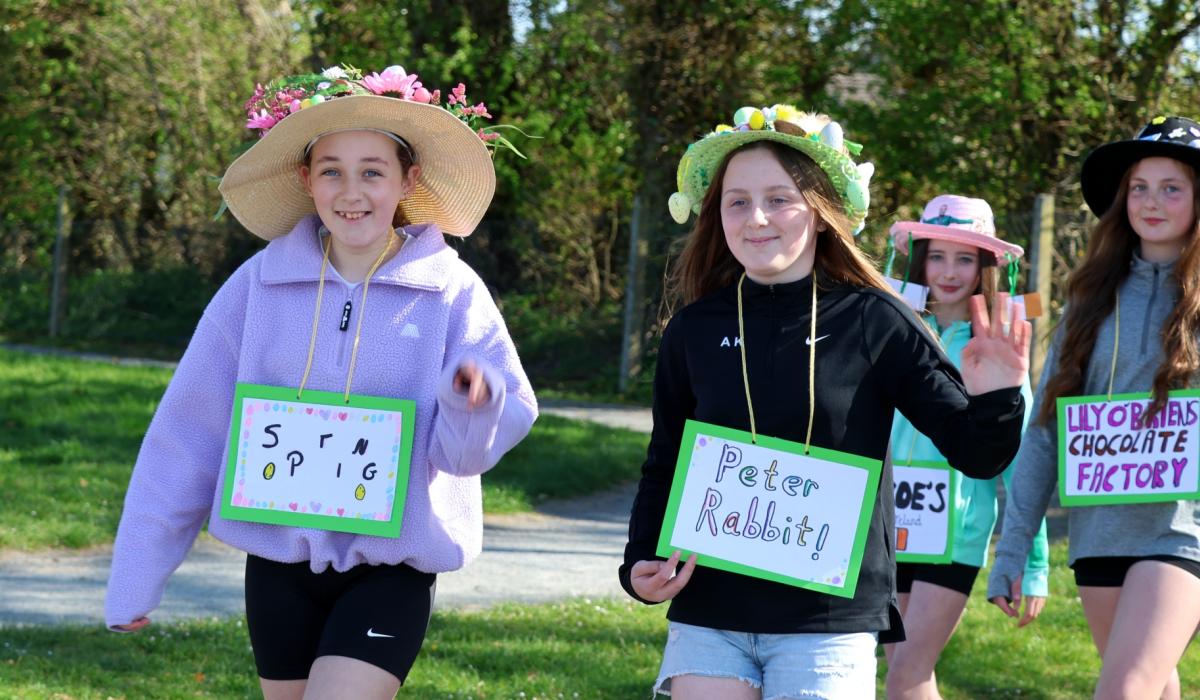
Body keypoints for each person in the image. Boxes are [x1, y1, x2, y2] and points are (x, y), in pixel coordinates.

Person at [104, 64, 537, 699]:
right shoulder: (255, 288)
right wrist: (134, 578)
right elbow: (186, 434)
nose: (351, 190)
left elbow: (466, 453)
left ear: (407, 179)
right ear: (306, 179)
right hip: (278, 569)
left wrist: (473, 404)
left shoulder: (450, 290)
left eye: (373, 170)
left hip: (391, 570)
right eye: (332, 169)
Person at [619, 104, 1032, 700]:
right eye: (737, 201)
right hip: (709, 609)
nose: (757, 217)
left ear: (819, 212)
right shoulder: (694, 328)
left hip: (827, 619)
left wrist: (995, 396)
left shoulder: (877, 320)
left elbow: (978, 451)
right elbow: (666, 460)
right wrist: (641, 562)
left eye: (779, 198)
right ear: (718, 216)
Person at [988, 116, 1200, 700]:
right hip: (1098, 532)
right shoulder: (1088, 299)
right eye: (1139, 187)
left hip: (1180, 532)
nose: (1151, 202)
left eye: (1171, 187)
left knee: (1125, 688)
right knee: (1154, 690)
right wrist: (1013, 548)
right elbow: (1046, 430)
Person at [881, 195, 1050, 700]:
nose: (948, 271)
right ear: (919, 259)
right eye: (937, 256)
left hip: (955, 534)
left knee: (906, 674)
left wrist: (1032, 562)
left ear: (984, 267)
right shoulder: (891, 329)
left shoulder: (998, 345)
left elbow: (1022, 460)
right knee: (909, 674)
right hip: (887, 528)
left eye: (964, 258)